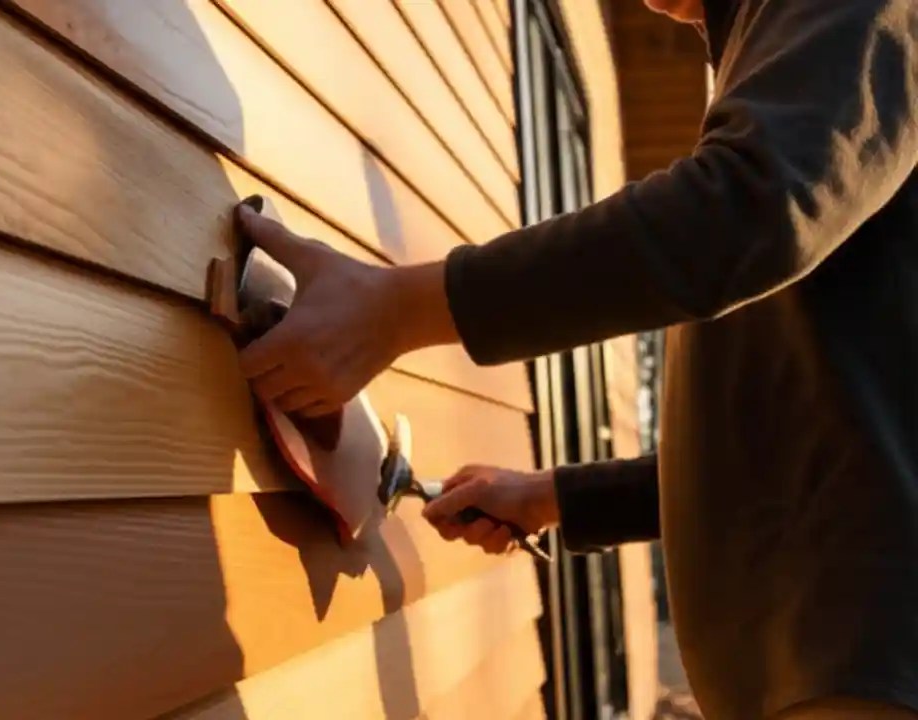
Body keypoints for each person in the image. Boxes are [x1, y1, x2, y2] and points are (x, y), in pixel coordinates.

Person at [231, 0, 918, 718]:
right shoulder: (789, 52)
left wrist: (397, 311)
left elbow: (751, 210)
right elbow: (787, 449)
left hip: (863, 666)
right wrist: (554, 497)